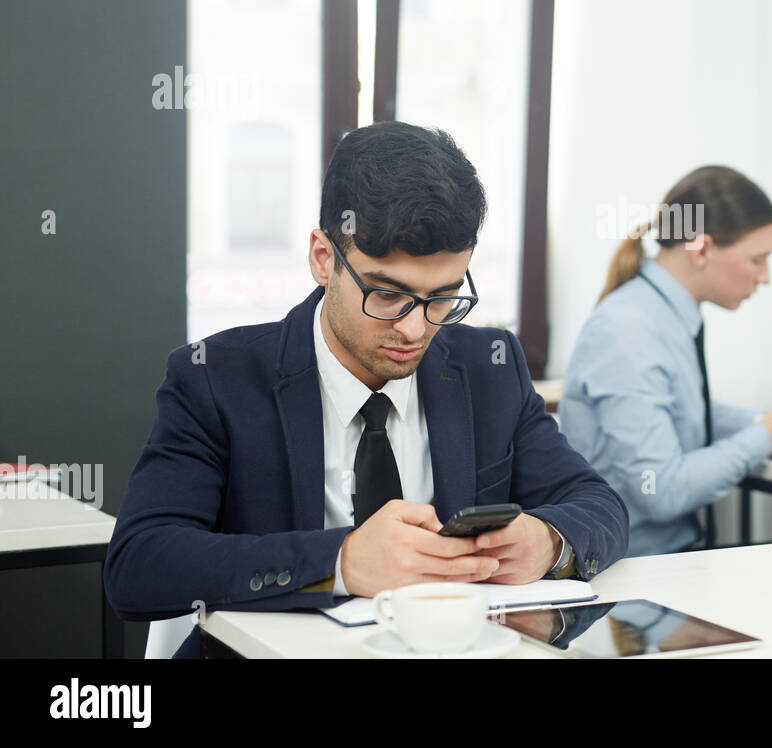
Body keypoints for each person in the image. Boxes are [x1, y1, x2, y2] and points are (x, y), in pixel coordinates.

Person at [106, 121, 629, 657]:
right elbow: (139, 565)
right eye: (386, 294)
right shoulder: (216, 377)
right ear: (323, 258)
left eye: (442, 297)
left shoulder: (490, 368)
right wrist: (343, 562)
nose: (415, 328)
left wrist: (548, 541)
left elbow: (600, 506)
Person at [558, 165, 772, 556]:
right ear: (702, 248)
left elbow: (683, 413)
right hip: (634, 568)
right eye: (757, 260)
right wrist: (769, 433)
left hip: (672, 554)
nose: (765, 277)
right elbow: (662, 490)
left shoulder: (663, 313)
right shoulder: (628, 330)